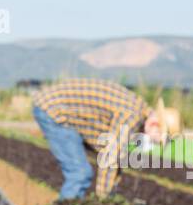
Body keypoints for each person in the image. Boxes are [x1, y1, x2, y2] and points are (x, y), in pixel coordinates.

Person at [31, 78, 182, 198]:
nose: (153, 143)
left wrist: (112, 186)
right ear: (155, 125)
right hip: (54, 109)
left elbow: (112, 152)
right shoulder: (131, 118)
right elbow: (110, 158)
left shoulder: (138, 109)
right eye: (157, 140)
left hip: (65, 111)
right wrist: (103, 200)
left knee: (85, 172)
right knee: (80, 174)